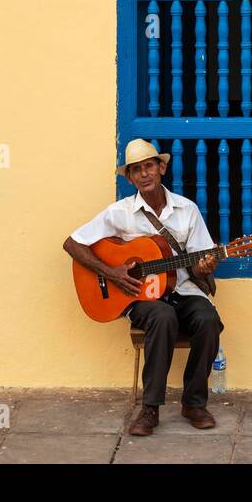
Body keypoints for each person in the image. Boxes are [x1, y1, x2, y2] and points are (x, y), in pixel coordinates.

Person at [63, 139, 224, 436]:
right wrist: (110, 271)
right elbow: (72, 243)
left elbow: (201, 257)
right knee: (162, 317)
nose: (144, 174)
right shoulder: (119, 213)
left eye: (149, 166)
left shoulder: (186, 210)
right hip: (140, 298)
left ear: (161, 168)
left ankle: (194, 403)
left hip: (183, 289)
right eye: (136, 170)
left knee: (208, 320)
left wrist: (204, 266)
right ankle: (150, 409)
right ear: (129, 177)